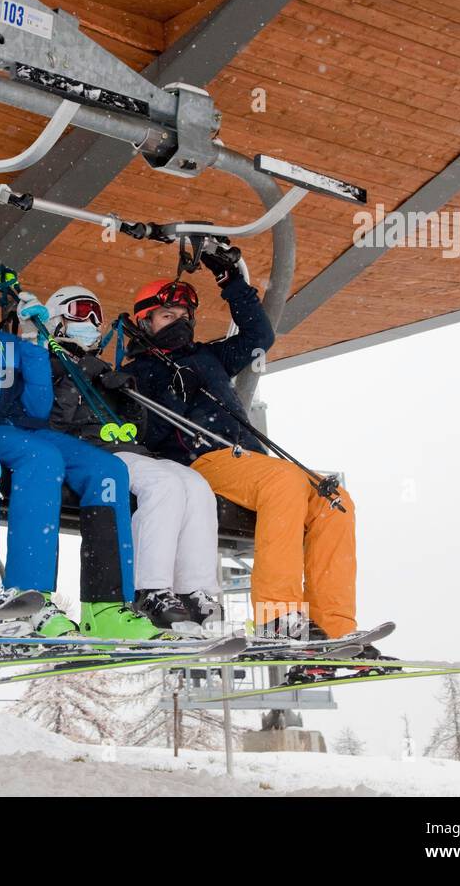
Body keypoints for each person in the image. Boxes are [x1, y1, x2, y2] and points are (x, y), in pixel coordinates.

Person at [0, 192, 170, 641]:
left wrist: (33, 343)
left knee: (107, 469)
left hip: (19, 427)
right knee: (41, 459)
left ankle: (106, 605)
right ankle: (30, 595)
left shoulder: (13, 342)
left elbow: (39, 408)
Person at [125, 245, 358, 639]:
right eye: (168, 315)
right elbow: (146, 433)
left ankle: (332, 627)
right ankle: (277, 617)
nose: (179, 322)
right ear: (144, 321)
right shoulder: (138, 373)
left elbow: (258, 337)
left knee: (334, 502)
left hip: (246, 459)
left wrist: (231, 282)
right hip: (202, 461)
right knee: (283, 483)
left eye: (185, 316)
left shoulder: (209, 356)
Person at [40, 284, 223, 632]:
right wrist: (72, 381)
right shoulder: (49, 365)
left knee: (196, 485)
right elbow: (49, 422)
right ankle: (150, 587)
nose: (91, 322)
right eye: (81, 313)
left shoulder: (100, 368)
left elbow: (136, 429)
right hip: (91, 453)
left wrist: (128, 396)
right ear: (56, 320)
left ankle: (194, 590)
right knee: (163, 484)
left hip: (129, 450)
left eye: (96, 316)